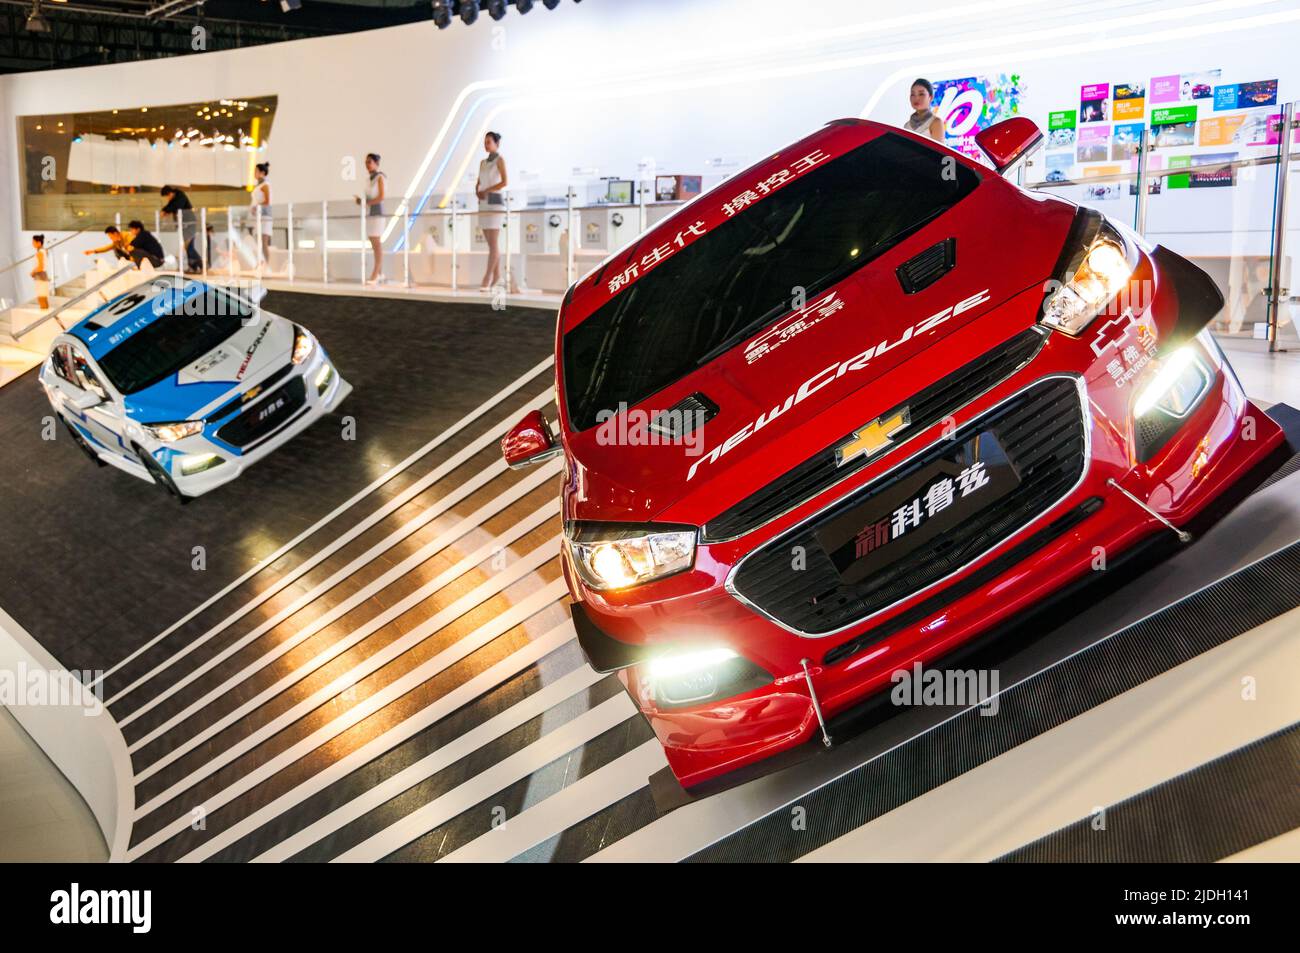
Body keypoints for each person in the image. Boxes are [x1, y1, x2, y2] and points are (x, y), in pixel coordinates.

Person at [475, 131, 508, 291]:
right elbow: (479, 181)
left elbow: (504, 181)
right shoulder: (482, 162)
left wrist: (487, 190)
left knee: (494, 242)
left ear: (496, 143)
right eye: (485, 141)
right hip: (483, 202)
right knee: (490, 243)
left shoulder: (499, 160)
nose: (486, 144)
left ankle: (487, 278)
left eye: (489, 141)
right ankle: (497, 276)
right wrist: (478, 191)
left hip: (495, 201)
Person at [355, 153, 387, 284]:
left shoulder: (380, 177)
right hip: (370, 213)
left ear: (376, 163)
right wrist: (361, 201)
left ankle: (375, 275)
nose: (367, 164)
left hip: (377, 213)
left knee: (376, 243)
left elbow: (380, 197)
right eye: (366, 162)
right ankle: (380, 273)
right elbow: (368, 198)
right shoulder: (368, 179)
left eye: (369, 162)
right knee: (374, 243)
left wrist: (366, 203)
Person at [160, 185, 203, 272]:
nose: (168, 198)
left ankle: (200, 265)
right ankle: (195, 267)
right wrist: (165, 210)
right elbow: (171, 205)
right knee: (188, 248)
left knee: (189, 247)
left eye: (167, 196)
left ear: (170, 193)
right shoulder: (175, 198)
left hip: (189, 225)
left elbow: (176, 206)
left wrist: (166, 210)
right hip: (184, 225)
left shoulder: (180, 196)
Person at [250, 162, 272, 267]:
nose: (254, 173)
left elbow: (267, 201)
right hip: (258, 216)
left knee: (264, 242)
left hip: (265, 216)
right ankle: (261, 263)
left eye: (256, 171)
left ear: (262, 172)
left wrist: (256, 206)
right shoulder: (258, 185)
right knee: (258, 242)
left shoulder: (265, 185)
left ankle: (266, 265)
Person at [30, 234, 50, 310]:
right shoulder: (44, 251)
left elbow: (41, 266)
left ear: (39, 243)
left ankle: (44, 315)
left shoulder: (40, 252)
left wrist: (33, 272)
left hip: (40, 276)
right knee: (43, 297)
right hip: (43, 275)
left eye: (33, 242)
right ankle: (46, 315)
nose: (32, 244)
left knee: (41, 298)